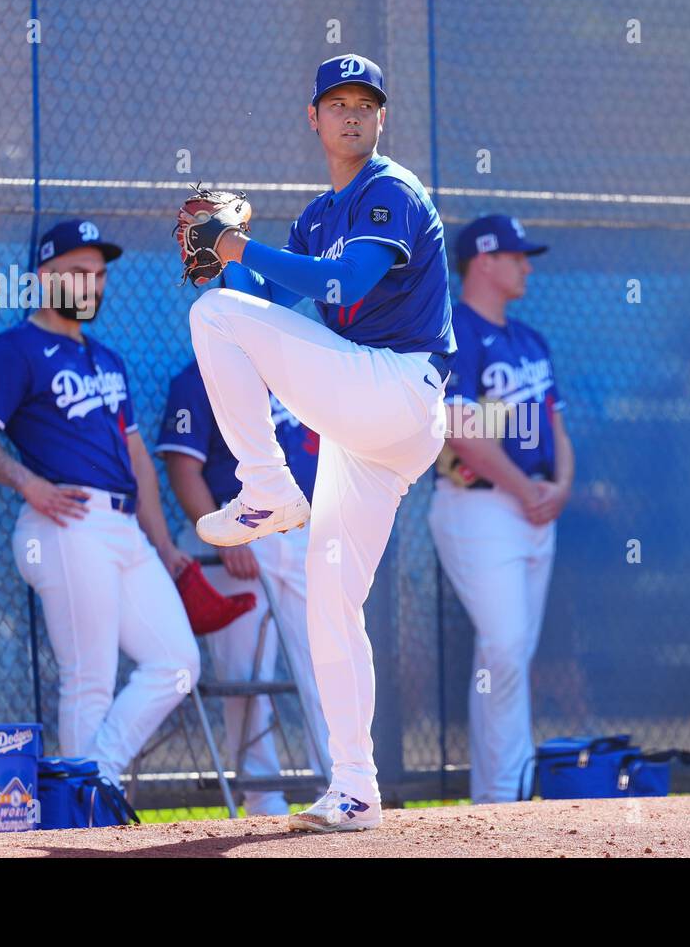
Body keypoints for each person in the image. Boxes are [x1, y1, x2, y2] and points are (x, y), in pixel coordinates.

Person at [182, 54, 454, 832]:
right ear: (314, 119)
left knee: (218, 321)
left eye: (365, 103)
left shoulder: (388, 191)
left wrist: (239, 253)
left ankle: (266, 486)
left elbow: (345, 288)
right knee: (331, 601)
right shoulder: (314, 216)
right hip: (362, 426)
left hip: (398, 390)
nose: (351, 115)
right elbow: (269, 305)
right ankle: (357, 788)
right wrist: (217, 267)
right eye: (336, 103)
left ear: (380, 118)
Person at [0, 219, 200, 787]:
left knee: (179, 663)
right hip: (65, 525)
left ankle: (92, 780)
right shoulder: (17, 349)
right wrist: (28, 483)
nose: (93, 284)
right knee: (89, 677)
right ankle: (83, 815)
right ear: (44, 277)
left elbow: (137, 459)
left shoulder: (107, 359)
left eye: (100, 274)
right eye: (79, 272)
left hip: (126, 530)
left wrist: (162, 544)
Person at [428, 214, 575, 803]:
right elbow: (461, 431)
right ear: (483, 260)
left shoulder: (530, 339)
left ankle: (503, 795)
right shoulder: (452, 331)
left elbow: (555, 425)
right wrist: (525, 487)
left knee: (510, 653)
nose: (527, 265)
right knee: (507, 647)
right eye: (517, 256)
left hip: (536, 505)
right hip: (480, 507)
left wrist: (559, 484)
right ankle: (507, 797)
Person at [157, 343, 332, 815]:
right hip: (242, 533)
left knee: (328, 659)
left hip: (309, 527)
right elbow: (182, 468)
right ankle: (263, 800)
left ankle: (341, 784)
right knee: (246, 678)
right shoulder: (197, 376)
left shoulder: (293, 366)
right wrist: (219, 538)